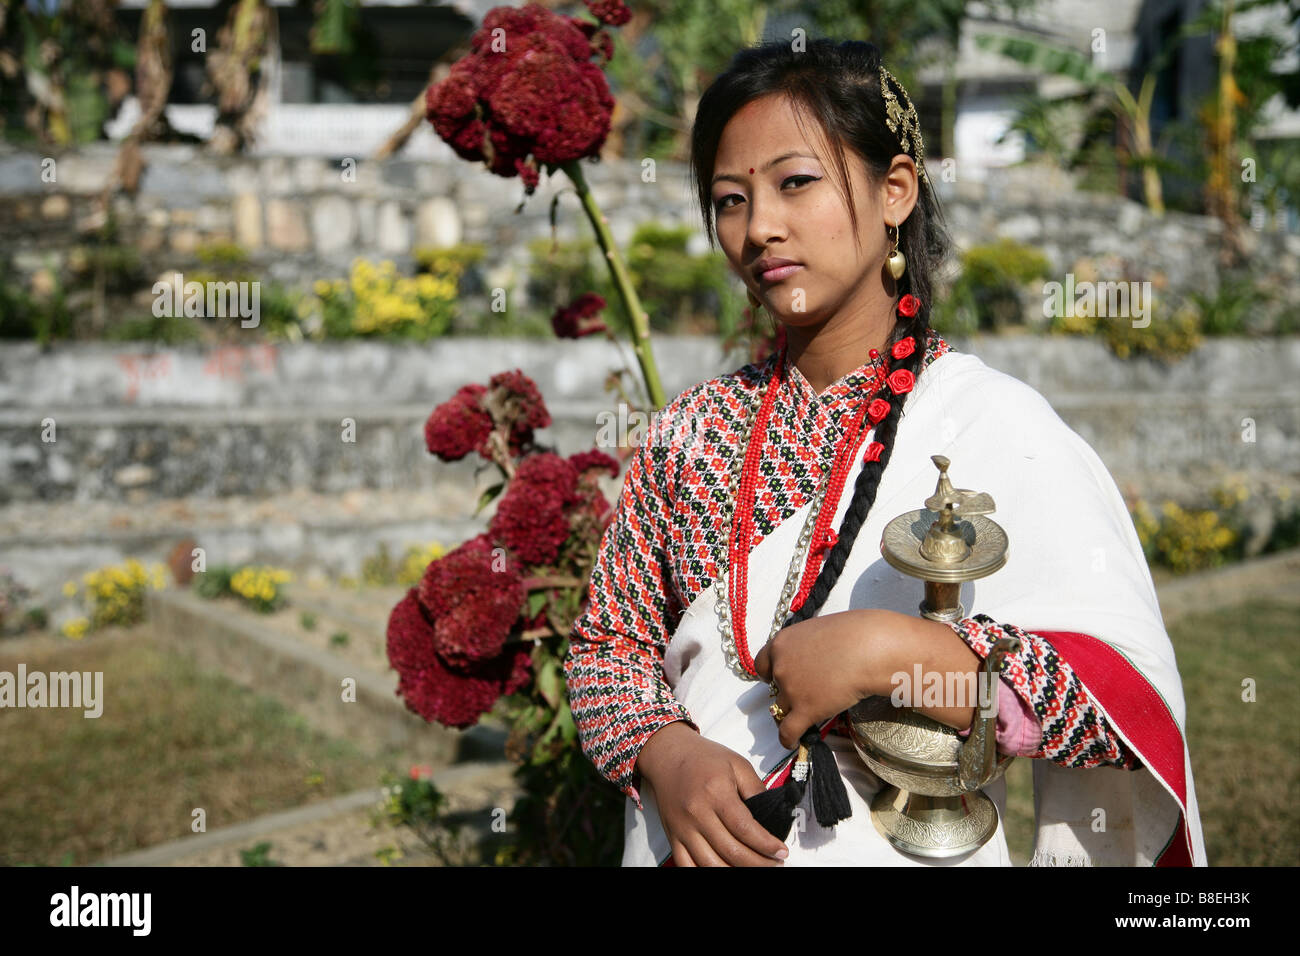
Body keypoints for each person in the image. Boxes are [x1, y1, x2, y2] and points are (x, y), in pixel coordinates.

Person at [563, 38, 1205, 867]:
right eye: (729, 200)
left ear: (895, 188)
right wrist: (665, 754)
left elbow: (1123, 709)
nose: (759, 228)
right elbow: (607, 649)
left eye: (797, 183)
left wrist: (902, 657)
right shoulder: (689, 433)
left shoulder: (994, 426)